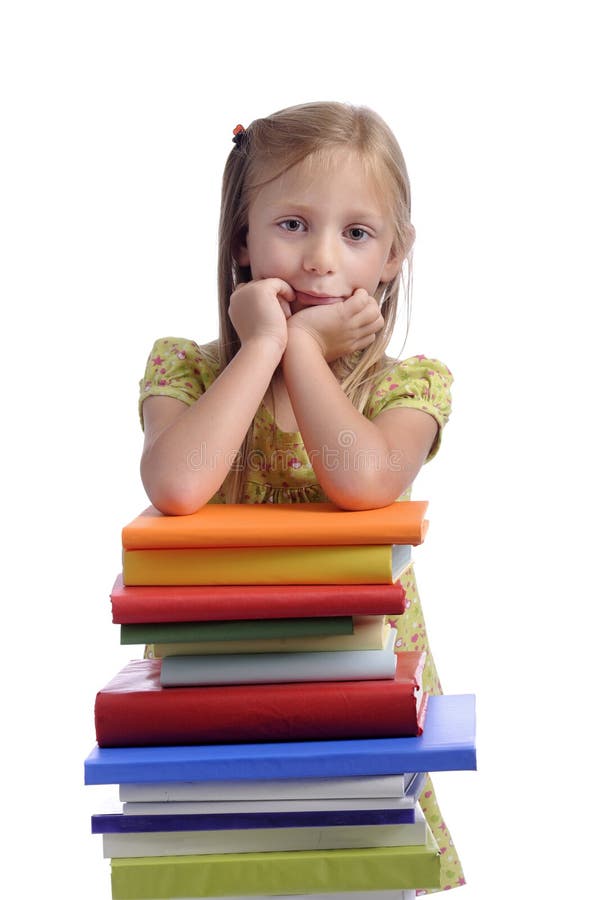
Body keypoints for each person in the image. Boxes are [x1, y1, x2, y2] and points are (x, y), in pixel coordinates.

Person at [138, 101, 465, 894]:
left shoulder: (405, 385)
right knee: (228, 867)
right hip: (215, 685)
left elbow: (363, 481)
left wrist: (302, 359)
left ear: (393, 255)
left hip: (356, 687)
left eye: (355, 233)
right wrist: (263, 347)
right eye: (292, 223)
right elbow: (178, 486)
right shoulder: (185, 369)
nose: (321, 260)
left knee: (351, 869)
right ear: (241, 241)